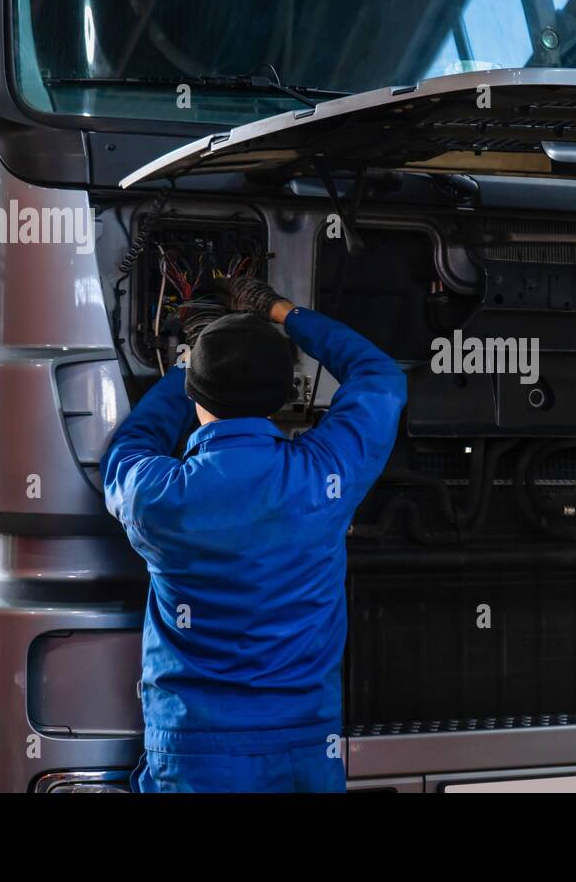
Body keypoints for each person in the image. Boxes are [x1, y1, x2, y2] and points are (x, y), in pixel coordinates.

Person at [102, 278, 406, 792]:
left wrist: (189, 363)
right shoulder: (322, 477)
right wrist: (282, 312)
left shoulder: (156, 495)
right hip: (304, 750)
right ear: (285, 395)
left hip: (191, 753)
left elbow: (129, 445)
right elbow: (379, 375)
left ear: (194, 392)